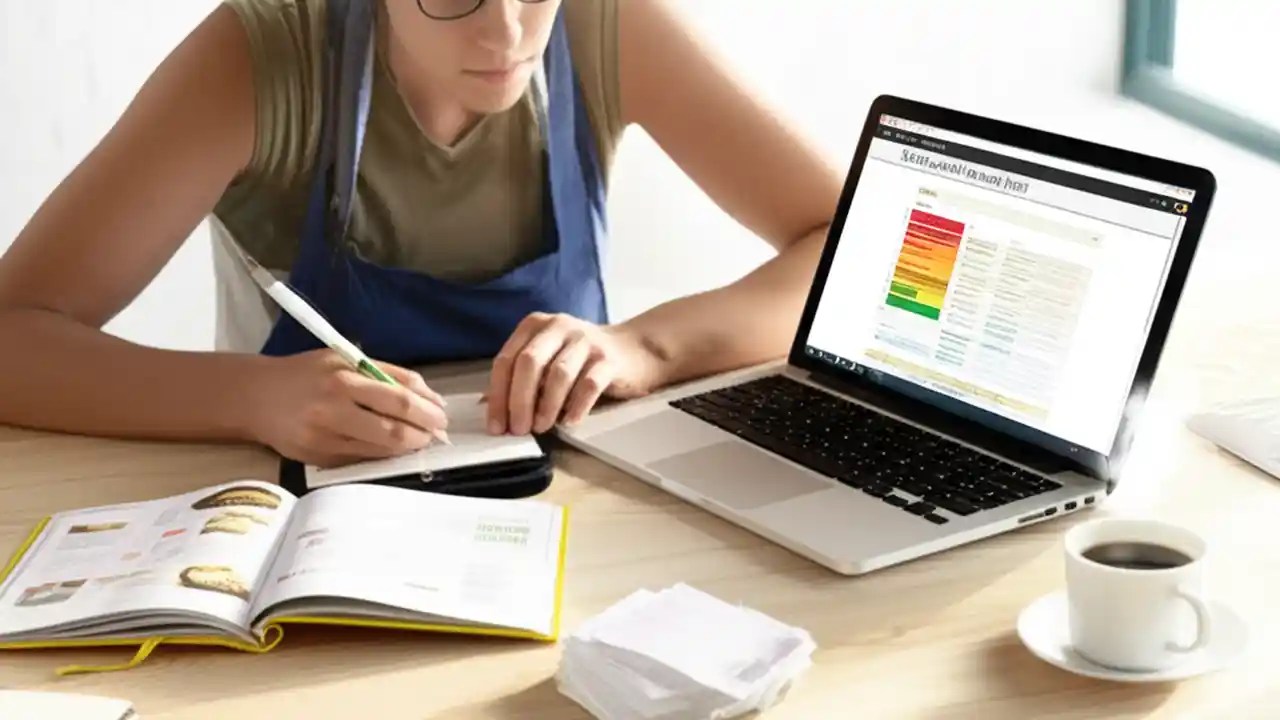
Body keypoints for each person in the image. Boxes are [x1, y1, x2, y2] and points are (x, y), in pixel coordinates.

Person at [0, 0, 842, 468]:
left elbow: (848, 244)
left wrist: (644, 349)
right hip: (304, 514)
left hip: (563, 502)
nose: (507, 31)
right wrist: (251, 397)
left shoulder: (607, 21)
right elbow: (15, 337)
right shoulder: (258, 56)